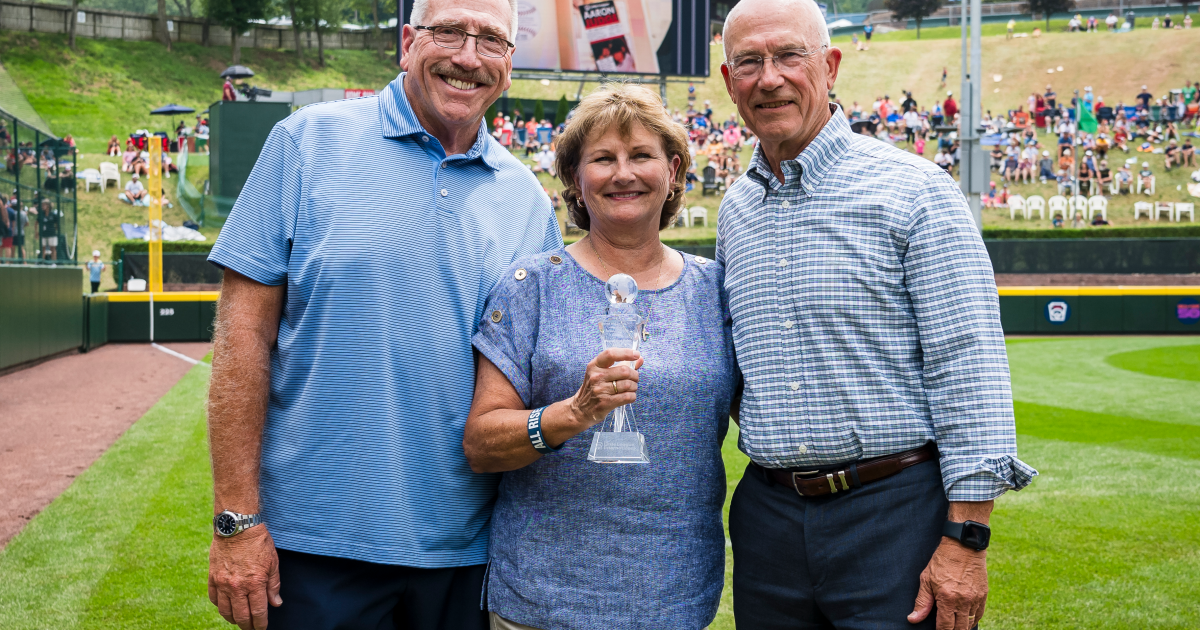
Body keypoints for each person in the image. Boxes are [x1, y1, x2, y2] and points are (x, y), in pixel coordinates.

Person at [203, 0, 562, 627]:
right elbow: (241, 337)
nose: (468, 57)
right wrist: (236, 520)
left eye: (492, 41)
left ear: (509, 63)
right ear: (406, 42)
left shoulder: (526, 197)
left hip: (468, 555)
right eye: (448, 31)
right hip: (313, 548)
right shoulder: (306, 141)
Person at [716, 1, 1037, 628]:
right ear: (729, 83)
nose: (769, 77)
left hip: (894, 512)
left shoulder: (915, 190)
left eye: (789, 56)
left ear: (831, 66)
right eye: (749, 62)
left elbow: (969, 365)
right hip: (768, 517)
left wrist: (967, 539)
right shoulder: (736, 209)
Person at [463, 82, 736, 630]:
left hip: (675, 596)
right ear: (574, 181)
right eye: (602, 159)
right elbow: (481, 444)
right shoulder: (530, 286)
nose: (623, 173)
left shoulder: (716, 290)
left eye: (641, 156)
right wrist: (574, 412)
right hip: (542, 598)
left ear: (675, 171)